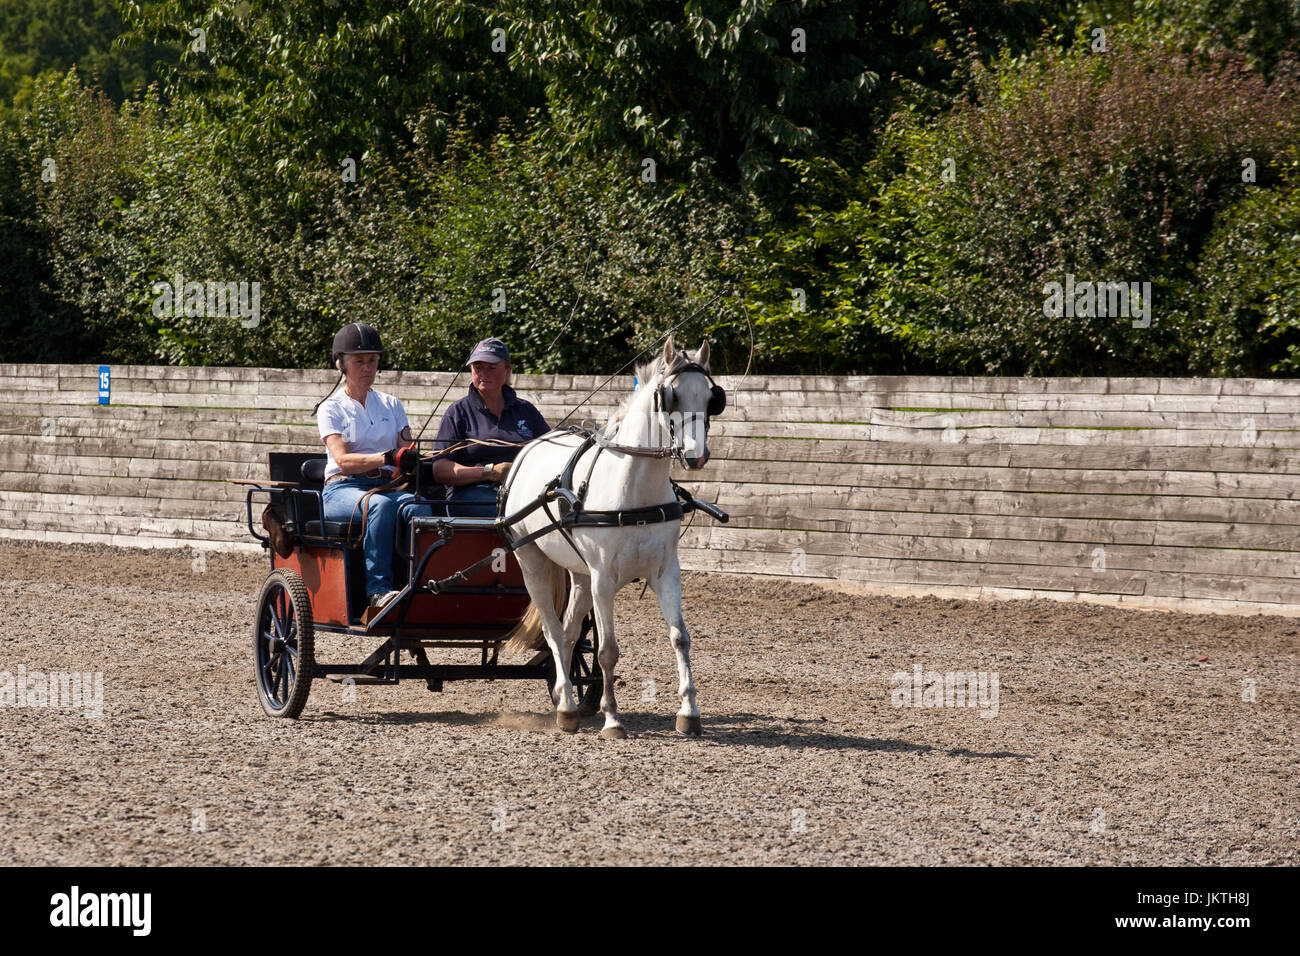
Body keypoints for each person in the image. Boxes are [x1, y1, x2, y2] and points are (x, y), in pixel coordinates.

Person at [315, 322, 431, 609]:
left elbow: (406, 447)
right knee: (380, 505)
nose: (367, 368)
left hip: (388, 486)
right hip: (343, 489)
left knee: (420, 507)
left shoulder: (392, 405)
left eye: (372, 361)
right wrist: (387, 458)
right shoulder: (331, 408)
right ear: (341, 364)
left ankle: (420, 584)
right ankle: (377, 590)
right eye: (359, 362)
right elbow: (342, 460)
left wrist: (411, 457)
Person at [432, 337, 550, 516]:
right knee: (515, 512)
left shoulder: (526, 410)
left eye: (492, 367)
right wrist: (490, 472)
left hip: (522, 490)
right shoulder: (458, 412)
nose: (484, 374)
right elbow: (440, 469)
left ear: (507, 371)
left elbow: (549, 450)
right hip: (470, 494)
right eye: (478, 368)